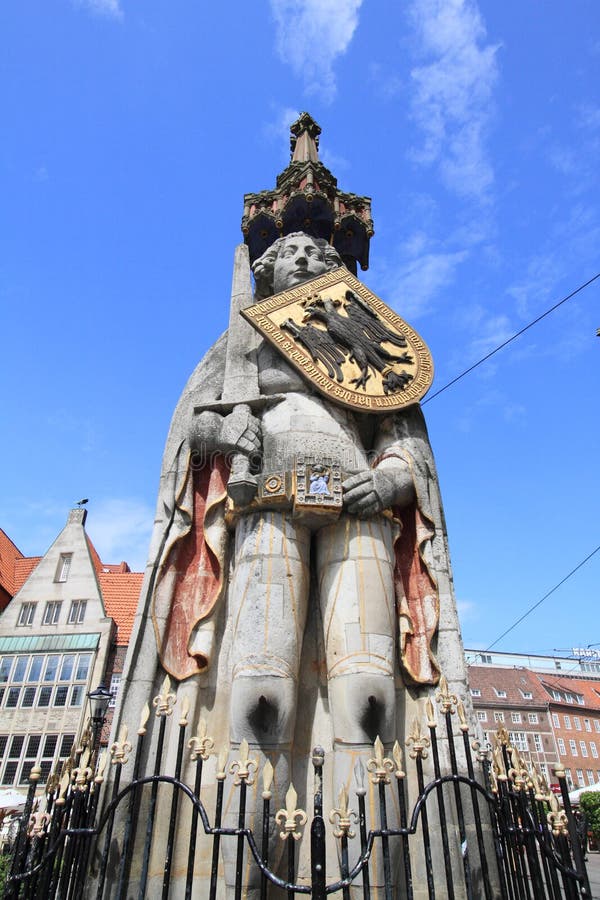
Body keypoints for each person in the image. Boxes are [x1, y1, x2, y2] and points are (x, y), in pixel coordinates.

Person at [119, 231, 461, 897]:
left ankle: (371, 882)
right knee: (259, 697)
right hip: (266, 507)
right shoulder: (242, 345)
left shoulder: (361, 337)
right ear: (269, 271)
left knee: (369, 699)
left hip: (360, 512)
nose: (304, 260)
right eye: (291, 253)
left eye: (316, 254)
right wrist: (224, 432)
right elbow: (192, 430)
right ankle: (238, 883)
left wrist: (389, 480)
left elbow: (405, 440)